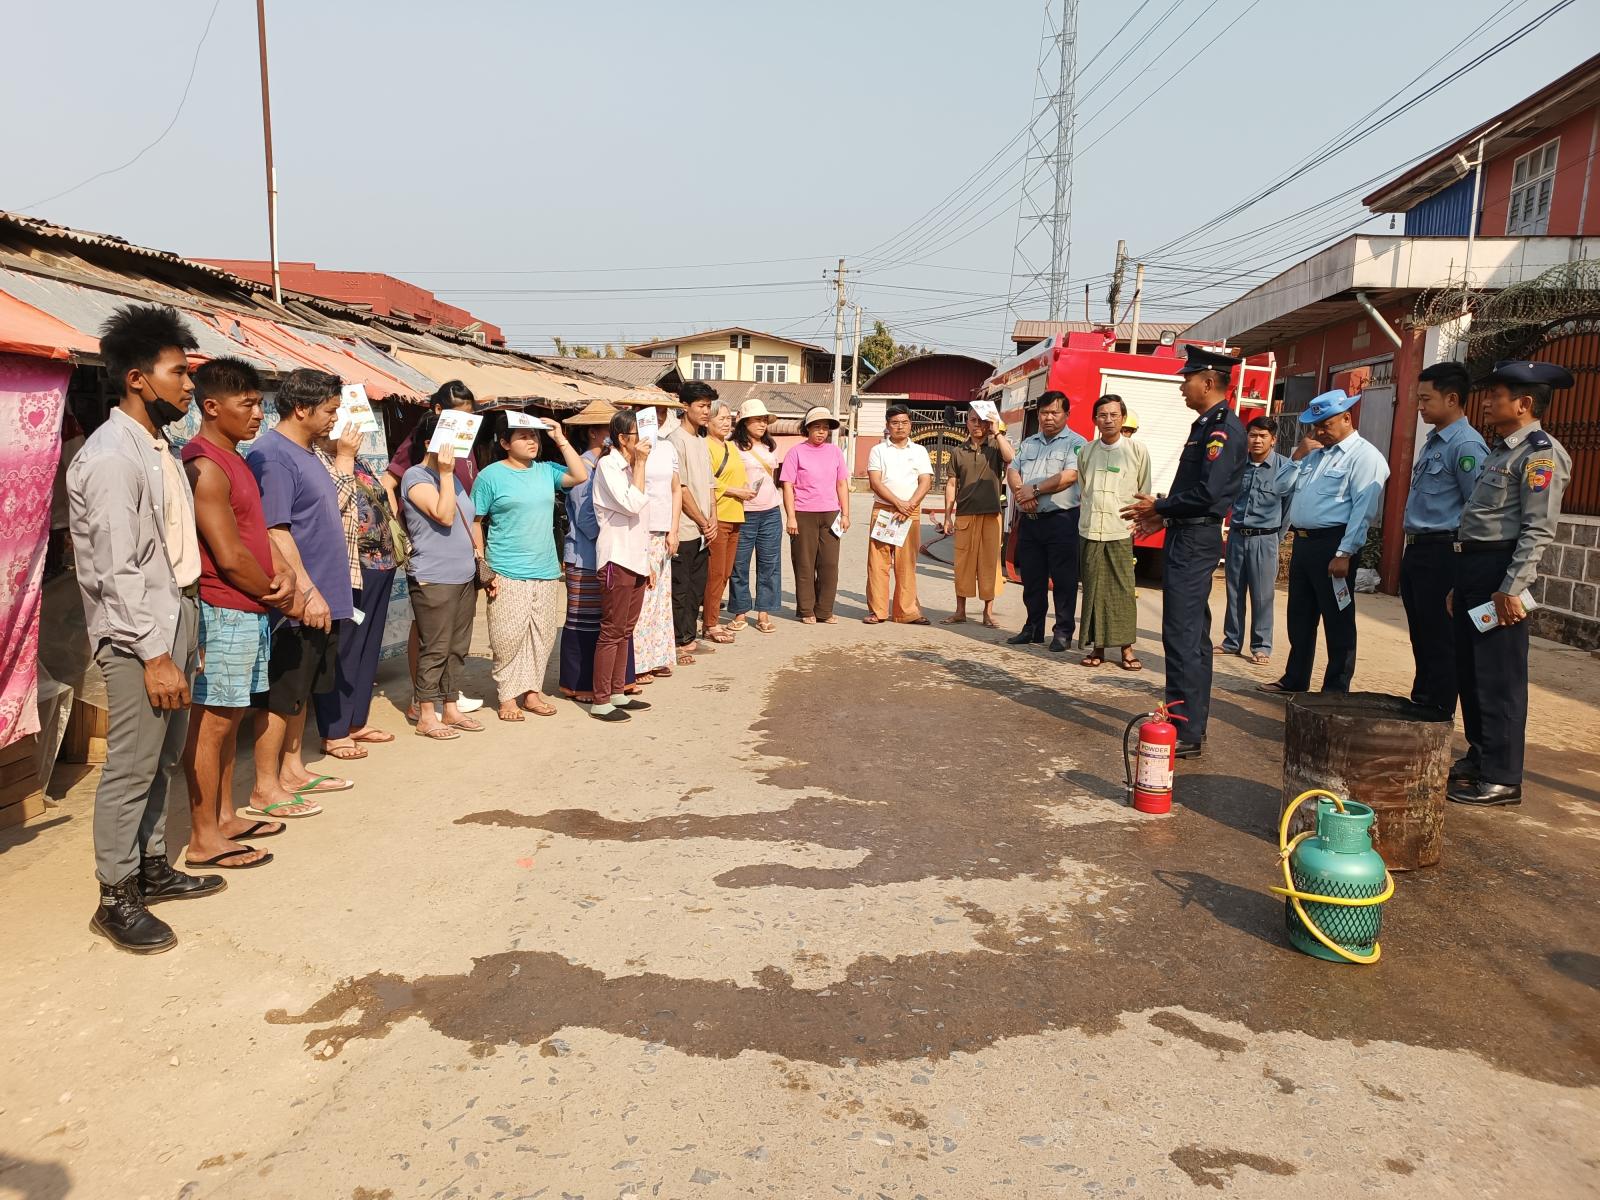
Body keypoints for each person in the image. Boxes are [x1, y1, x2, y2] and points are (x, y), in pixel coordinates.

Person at [66, 305, 221, 952]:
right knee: (130, 766)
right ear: (137, 378)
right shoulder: (109, 460)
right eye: (179, 373)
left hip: (173, 620)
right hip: (139, 637)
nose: (190, 386)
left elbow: (170, 553)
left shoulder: (157, 448)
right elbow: (114, 570)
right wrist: (156, 654)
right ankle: (115, 896)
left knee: (161, 756)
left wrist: (191, 636)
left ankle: (152, 866)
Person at [181, 357, 305, 877]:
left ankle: (225, 816)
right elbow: (228, 555)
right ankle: (203, 837)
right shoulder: (204, 463)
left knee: (230, 721)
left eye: (260, 403)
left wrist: (282, 577)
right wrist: (276, 592)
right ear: (211, 407)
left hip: (248, 607)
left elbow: (256, 537)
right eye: (246, 403)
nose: (257, 413)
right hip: (224, 607)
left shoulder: (236, 457)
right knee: (212, 725)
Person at [1447, 361, 1572, 808]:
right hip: (1475, 570)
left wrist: (1511, 588)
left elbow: (1537, 530)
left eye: (1496, 395)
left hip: (1502, 572)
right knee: (1472, 672)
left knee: (1499, 677)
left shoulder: (1540, 454)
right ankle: (1481, 757)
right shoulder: (1502, 450)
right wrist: (1461, 582)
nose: (1487, 401)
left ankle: (1503, 777)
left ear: (1523, 404)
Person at [1122, 345, 1248, 759]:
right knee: (1192, 636)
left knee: (1181, 634)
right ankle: (1190, 721)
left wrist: (1160, 506)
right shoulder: (1206, 425)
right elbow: (1194, 493)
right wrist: (1164, 514)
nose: (1181, 387)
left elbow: (1209, 494)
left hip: (1195, 541)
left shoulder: (1222, 429)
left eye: (1187, 379)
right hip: (1187, 533)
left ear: (1208, 382)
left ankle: (1184, 727)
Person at [245, 369, 357, 808]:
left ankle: (292, 771)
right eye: (329, 410)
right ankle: (264, 785)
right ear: (301, 408)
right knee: (282, 691)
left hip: (324, 594)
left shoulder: (307, 451)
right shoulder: (273, 456)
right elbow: (275, 531)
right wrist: (305, 592)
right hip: (299, 599)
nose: (334, 418)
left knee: (304, 686)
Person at [1257, 389, 1389, 697]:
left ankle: (1335, 689)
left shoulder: (1365, 457)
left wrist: (1345, 552)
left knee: (1337, 619)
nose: (1318, 432)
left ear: (1346, 417)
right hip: (1304, 544)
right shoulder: (1314, 455)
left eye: (1324, 425)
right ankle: (1295, 679)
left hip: (1334, 546)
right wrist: (1297, 456)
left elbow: (1363, 510)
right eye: (1314, 426)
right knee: (1300, 617)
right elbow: (1278, 487)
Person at [471, 412, 588, 721]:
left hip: (546, 568)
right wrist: (481, 562)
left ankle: (531, 693)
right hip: (506, 568)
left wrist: (560, 438)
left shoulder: (545, 471)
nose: (532, 441)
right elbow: (476, 521)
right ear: (505, 442)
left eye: (534, 435)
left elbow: (580, 476)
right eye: (523, 436)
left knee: (542, 634)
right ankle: (507, 696)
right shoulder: (490, 476)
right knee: (507, 636)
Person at [384, 380, 484, 717]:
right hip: (434, 570)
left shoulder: (457, 468)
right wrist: (403, 532)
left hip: (462, 570)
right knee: (434, 643)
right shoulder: (417, 471)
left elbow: (469, 517)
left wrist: (479, 556)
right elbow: (440, 513)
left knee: (456, 645)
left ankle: (449, 703)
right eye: (456, 423)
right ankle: (424, 706)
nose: (462, 433)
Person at [1400, 362, 1488, 715]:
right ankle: (1423, 701)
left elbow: (1475, 508)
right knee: (1421, 634)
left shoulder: (1466, 446)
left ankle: (1437, 710)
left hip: (1443, 553)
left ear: (1452, 399)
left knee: (1440, 637)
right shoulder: (1434, 442)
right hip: (1418, 551)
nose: (1419, 406)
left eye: (1426, 399)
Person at [312, 420, 400, 760]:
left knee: (367, 647)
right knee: (343, 648)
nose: (351, 431)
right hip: (349, 568)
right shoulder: (321, 461)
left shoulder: (359, 460)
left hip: (379, 565)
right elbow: (331, 508)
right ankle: (334, 730)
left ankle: (356, 720)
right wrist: (345, 456)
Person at [560, 406, 636, 699]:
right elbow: (586, 519)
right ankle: (580, 685)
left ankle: (613, 684)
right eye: (609, 430)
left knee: (611, 621)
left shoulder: (618, 465)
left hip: (611, 554)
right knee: (585, 621)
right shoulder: (584, 466)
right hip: (586, 555)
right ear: (594, 432)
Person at [1006, 390, 1085, 651]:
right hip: (1030, 521)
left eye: (1055, 412)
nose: (1048, 417)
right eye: (1043, 412)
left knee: (1063, 580)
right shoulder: (1029, 443)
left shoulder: (1076, 443)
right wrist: (1021, 492)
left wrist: (1035, 490)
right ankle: (1033, 628)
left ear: (1066, 414)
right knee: (1031, 578)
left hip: (1061, 520)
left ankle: (1062, 632)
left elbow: (1070, 476)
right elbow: (1013, 469)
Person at [1075, 394, 1150, 670]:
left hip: (1120, 530)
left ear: (1122, 418)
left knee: (1122, 590)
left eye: (1114, 415)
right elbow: (1084, 488)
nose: (1108, 420)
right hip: (1091, 529)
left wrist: (1137, 522)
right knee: (1093, 589)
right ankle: (1098, 648)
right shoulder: (1086, 451)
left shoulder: (1137, 451)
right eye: (1102, 415)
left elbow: (1144, 491)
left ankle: (1127, 649)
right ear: (1095, 420)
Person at [589, 409, 655, 722]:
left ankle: (618, 692)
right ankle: (601, 699)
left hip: (636, 558)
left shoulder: (629, 466)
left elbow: (643, 517)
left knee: (626, 629)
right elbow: (631, 504)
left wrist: (648, 561)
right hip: (617, 557)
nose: (643, 442)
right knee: (612, 630)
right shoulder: (608, 465)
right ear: (621, 438)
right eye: (637, 436)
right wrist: (640, 463)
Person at [1217, 416, 1299, 666]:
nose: (1257, 440)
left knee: (1263, 595)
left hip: (1266, 539)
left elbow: (1288, 509)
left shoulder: (1285, 468)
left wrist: (1275, 538)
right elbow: (1227, 499)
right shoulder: (1238, 465)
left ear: (1273, 440)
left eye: (1263, 436)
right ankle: (1232, 641)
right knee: (1234, 591)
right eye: (1253, 435)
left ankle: (1261, 645)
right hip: (1238, 536)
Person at [940, 403, 1014, 628]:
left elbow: (1011, 457)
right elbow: (952, 484)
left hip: (991, 514)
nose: (978, 425)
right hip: (965, 515)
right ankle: (960, 611)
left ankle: (988, 613)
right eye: (974, 420)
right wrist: (947, 516)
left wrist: (997, 432)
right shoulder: (958, 452)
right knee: (963, 564)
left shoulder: (996, 447)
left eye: (983, 420)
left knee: (989, 564)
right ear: (967, 423)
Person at [865, 404, 933, 625]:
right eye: (895, 423)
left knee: (907, 564)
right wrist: (897, 503)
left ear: (911, 425)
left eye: (904, 422)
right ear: (888, 426)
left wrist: (910, 505)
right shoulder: (878, 450)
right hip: (884, 511)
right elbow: (875, 481)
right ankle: (878, 611)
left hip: (910, 513)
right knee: (879, 563)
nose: (900, 427)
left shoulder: (919, 451)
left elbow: (926, 481)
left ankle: (907, 612)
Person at [781, 406, 851, 623]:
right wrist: (791, 516)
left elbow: (841, 484)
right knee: (805, 563)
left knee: (829, 564)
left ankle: (825, 610)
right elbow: (787, 485)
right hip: (803, 514)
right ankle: (807, 610)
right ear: (807, 428)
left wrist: (846, 514)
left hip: (831, 513)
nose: (821, 432)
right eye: (816, 427)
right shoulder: (796, 452)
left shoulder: (835, 452)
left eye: (825, 428)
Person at [668, 381, 718, 655]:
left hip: (703, 530)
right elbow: (681, 488)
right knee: (680, 588)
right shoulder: (675, 441)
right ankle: (677, 641)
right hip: (685, 528)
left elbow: (710, 486)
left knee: (697, 588)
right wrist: (701, 520)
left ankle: (689, 638)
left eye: (709, 406)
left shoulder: (701, 441)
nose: (706, 411)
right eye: (701, 406)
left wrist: (713, 519)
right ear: (684, 407)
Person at [635, 402, 682, 674]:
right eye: (651, 412)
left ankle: (656, 656)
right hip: (639, 528)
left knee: (660, 598)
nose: (657, 417)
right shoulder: (629, 449)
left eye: (662, 413)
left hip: (663, 528)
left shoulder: (667, 447)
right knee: (642, 595)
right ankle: (637, 662)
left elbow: (676, 488)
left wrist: (673, 528)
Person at [729, 399, 783, 635]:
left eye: (764, 420)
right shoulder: (731, 447)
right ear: (744, 422)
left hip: (771, 511)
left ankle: (764, 612)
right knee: (739, 564)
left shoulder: (770, 447)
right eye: (757, 420)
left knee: (769, 565)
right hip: (743, 513)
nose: (762, 424)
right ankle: (740, 612)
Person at [702, 400, 753, 643]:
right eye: (720, 418)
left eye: (728, 418)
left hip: (736, 515)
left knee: (725, 573)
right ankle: (711, 623)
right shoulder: (705, 447)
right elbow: (707, 480)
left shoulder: (731, 447)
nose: (726, 423)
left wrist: (745, 490)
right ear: (708, 421)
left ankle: (710, 617)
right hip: (718, 515)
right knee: (716, 573)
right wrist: (735, 491)